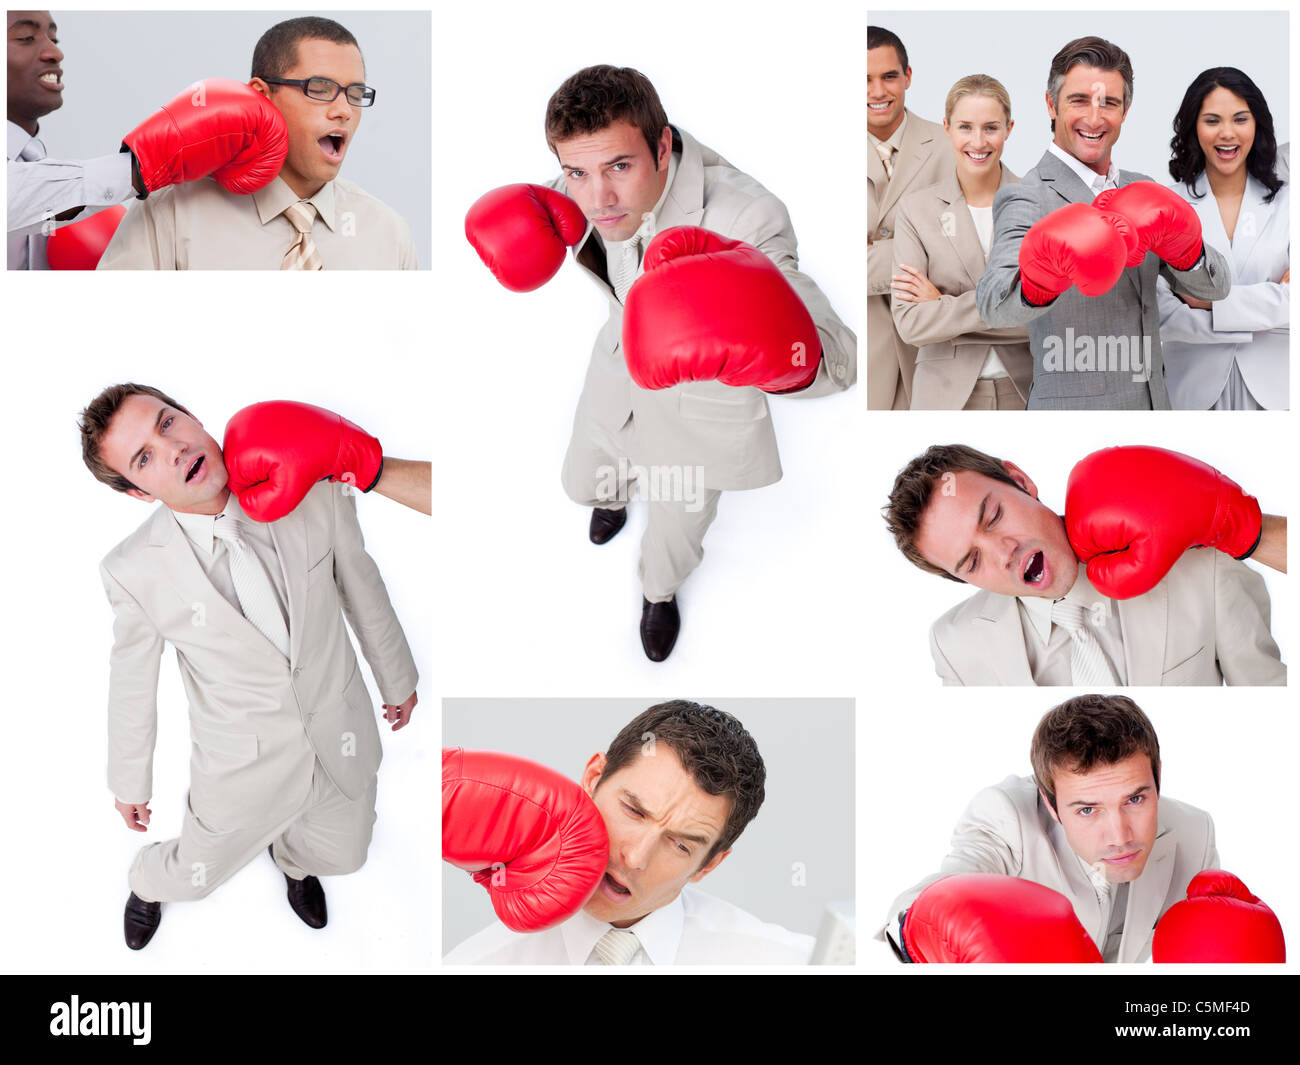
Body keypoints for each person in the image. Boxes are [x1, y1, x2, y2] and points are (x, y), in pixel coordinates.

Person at [466, 65, 854, 660]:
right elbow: (585, 188)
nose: (598, 199)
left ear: (663, 145)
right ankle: (615, 497)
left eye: (620, 167)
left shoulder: (747, 220)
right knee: (583, 479)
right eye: (577, 173)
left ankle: (658, 595)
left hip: (701, 415)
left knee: (673, 540)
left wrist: (791, 359)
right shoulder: (582, 186)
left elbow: (838, 359)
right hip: (620, 365)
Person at [80, 383, 419, 948]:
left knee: (347, 853)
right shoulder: (132, 570)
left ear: (189, 414)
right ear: (138, 491)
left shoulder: (309, 489)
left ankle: (292, 858)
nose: (172, 449)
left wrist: (398, 678)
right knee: (197, 876)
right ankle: (148, 881)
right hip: (239, 771)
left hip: (341, 733)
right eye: (144, 458)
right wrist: (129, 780)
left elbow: (361, 582)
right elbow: (131, 684)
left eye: (167, 424)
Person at [877, 695, 1281, 963]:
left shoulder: (1195, 832)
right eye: (1088, 810)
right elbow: (923, 900)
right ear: (1050, 804)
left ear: (1159, 778)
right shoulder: (1006, 818)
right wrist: (923, 924)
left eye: (1135, 799)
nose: (1120, 834)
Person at [444, 700, 814, 964]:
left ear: (710, 865)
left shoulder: (787, 962)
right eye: (633, 811)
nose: (635, 858)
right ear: (592, 780)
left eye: (680, 845)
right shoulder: (477, 964)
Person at [883, 443, 1286, 685]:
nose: (1003, 550)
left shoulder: (1196, 562)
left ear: (1021, 481)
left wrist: (1243, 527)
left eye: (993, 516)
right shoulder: (955, 646)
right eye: (971, 561)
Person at [974, 36, 1232, 409]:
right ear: (1051, 104)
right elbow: (992, 303)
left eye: (1109, 103)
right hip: (1073, 414)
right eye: (1079, 100)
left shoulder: (1142, 187)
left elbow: (1216, 287)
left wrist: (1187, 250)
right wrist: (1041, 280)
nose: (1094, 118)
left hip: (1155, 405)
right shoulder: (1027, 195)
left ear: (1125, 111)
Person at [98, 16, 416, 269]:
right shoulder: (172, 212)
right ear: (262, 96)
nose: (344, 111)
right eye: (320, 88)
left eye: (356, 94)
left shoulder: (388, 233)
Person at [7, 10, 285, 269]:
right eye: (26, 38)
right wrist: (143, 165)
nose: (55, 52)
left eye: (54, 39)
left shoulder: (53, 185)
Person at [890, 74, 1032, 409]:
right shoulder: (916, 210)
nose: (978, 142)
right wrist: (1007, 305)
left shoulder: (1038, 205)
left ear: (1009, 129)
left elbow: (1048, 318)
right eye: (965, 127)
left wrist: (942, 305)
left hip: (1027, 389)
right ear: (947, 128)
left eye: (991, 128)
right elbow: (910, 324)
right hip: (943, 396)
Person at [1157, 67, 1289, 410]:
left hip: (1278, 393)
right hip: (1192, 394)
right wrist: (1263, 313)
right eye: (1212, 120)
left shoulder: (1291, 202)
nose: (1227, 133)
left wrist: (1209, 301)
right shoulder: (1164, 206)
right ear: (1193, 128)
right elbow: (1163, 315)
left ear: (1257, 124)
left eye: (1240, 119)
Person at [867, 25, 950, 409]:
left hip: (935, 356)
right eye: (863, 80)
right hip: (864, 357)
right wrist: (920, 247)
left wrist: (872, 253)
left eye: (888, 77)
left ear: (908, 77)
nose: (877, 92)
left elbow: (984, 250)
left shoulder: (955, 146)